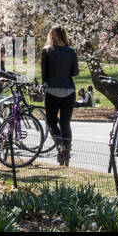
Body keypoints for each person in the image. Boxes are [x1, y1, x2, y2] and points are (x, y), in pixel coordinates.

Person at [40, 26, 79, 167]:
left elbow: (44, 74)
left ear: (51, 35)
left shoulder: (47, 51)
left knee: (51, 121)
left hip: (52, 90)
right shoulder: (71, 51)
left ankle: (60, 144)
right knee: (65, 123)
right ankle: (66, 155)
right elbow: (75, 72)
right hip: (69, 90)